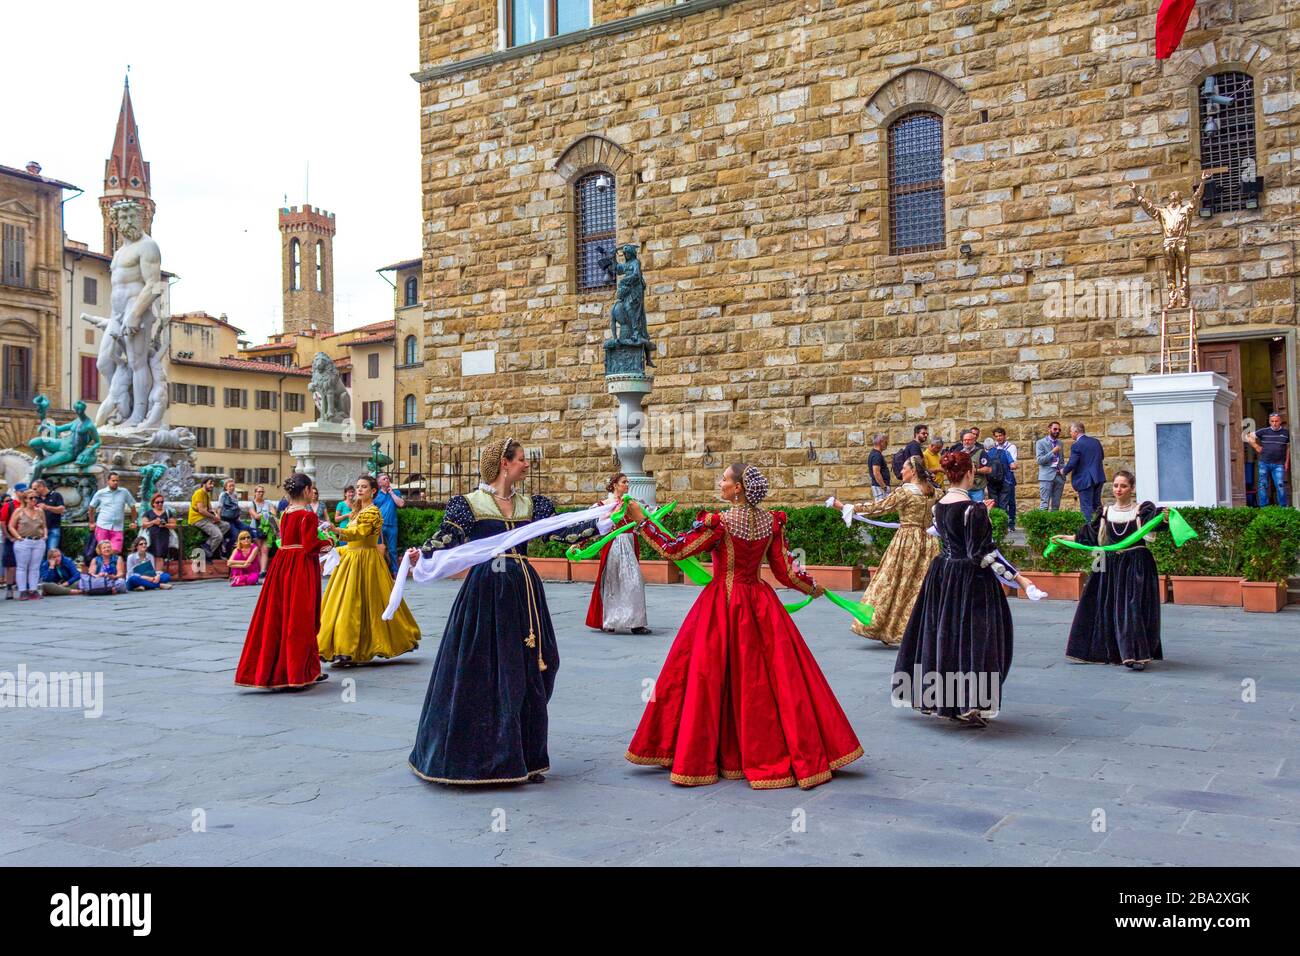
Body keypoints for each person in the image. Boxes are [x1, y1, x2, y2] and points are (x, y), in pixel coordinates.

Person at [621, 462, 863, 789]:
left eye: (724, 479)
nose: (720, 483)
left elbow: (676, 549)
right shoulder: (771, 522)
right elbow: (785, 572)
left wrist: (641, 523)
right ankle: (778, 751)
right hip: (760, 603)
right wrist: (811, 587)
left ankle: (702, 754)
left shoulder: (719, 523)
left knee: (704, 676)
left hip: (721, 602)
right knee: (768, 679)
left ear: (738, 489)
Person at [407, 437, 609, 786]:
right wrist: (421, 553)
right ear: (504, 463)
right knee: (484, 669)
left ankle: (526, 756)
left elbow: (563, 532)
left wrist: (603, 514)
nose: (526, 465)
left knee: (533, 668)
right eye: (521, 460)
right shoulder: (468, 504)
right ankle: (483, 758)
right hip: (486, 591)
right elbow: (447, 537)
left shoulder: (533, 504)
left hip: (523, 592)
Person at [892, 451, 1016, 728]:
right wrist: (1019, 578)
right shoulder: (974, 509)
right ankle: (968, 703)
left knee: (940, 634)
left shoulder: (940, 505)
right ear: (970, 473)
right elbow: (981, 553)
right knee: (975, 638)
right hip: (971, 579)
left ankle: (937, 698)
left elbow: (947, 531)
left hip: (942, 574)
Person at [235, 473, 332, 690]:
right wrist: (329, 543)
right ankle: (299, 672)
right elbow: (310, 546)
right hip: (300, 568)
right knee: (301, 617)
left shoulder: (286, 512)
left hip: (282, 566)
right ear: (306, 490)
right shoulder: (307, 516)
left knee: (279, 616)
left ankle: (286, 670)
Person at [832, 456, 940, 647]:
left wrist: (847, 507)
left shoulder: (905, 493)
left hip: (906, 541)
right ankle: (918, 630)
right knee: (919, 586)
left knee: (890, 583)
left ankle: (883, 626)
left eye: (904, 469)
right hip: (929, 542)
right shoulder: (934, 492)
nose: (901, 473)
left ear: (913, 471)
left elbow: (879, 507)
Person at [318, 474, 420, 666]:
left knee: (364, 603)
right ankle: (345, 648)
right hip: (352, 559)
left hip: (367, 561)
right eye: (358, 486)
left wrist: (335, 529)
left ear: (373, 491)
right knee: (348, 603)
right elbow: (353, 540)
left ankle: (350, 649)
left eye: (364, 487)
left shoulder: (373, 511)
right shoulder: (357, 511)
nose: (359, 489)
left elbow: (359, 533)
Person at [1065, 470, 1163, 671]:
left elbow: (1158, 523)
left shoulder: (1141, 511)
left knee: (1131, 607)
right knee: (1105, 605)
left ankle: (1134, 654)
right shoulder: (1106, 512)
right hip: (1109, 563)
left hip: (1136, 564)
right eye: (1116, 486)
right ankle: (1112, 651)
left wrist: (1167, 518)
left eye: (1123, 486)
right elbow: (1091, 537)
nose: (1118, 489)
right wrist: (1065, 538)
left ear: (1132, 488)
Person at [584, 472, 650, 634]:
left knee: (634, 582)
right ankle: (610, 620)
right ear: (614, 485)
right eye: (623, 482)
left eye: (627, 482)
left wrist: (664, 511)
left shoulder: (633, 503)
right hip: (613, 544)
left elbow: (648, 516)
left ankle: (636, 623)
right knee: (612, 581)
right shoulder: (604, 505)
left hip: (629, 542)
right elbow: (593, 526)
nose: (627, 485)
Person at [7, 487, 48, 600]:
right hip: (24, 541)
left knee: (35, 567)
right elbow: (11, 525)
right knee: (22, 567)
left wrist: (45, 535)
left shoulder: (40, 511)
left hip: (38, 541)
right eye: (31, 498)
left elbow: (44, 525)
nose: (34, 500)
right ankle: (22, 590)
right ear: (25, 499)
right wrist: (18, 537)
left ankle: (33, 590)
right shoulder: (19, 511)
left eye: (36, 497)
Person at [1063, 422, 1106, 521]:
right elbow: (1101, 457)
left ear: (1076, 432)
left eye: (1071, 431)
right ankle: (1102, 527)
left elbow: (1072, 463)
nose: (1070, 433)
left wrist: (1063, 471)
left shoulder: (1077, 445)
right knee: (1097, 505)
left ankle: (1088, 533)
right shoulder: (1096, 442)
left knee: (1086, 507)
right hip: (1098, 477)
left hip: (1085, 479)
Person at [87, 471, 137, 555]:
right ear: (108, 481)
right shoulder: (100, 493)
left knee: (116, 551)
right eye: (113, 480)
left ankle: (113, 567)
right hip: (103, 526)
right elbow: (91, 507)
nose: (115, 482)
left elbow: (133, 507)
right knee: (103, 551)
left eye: (117, 481)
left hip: (118, 528)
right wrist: (91, 522)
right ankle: (103, 568)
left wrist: (133, 521)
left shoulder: (124, 492)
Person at [1249, 412, 1290, 507]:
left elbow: (1288, 448)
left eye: (1276, 421)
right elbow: (1249, 436)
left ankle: (1283, 508)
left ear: (1280, 421)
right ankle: (1264, 507)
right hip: (1264, 462)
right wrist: (1256, 446)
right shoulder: (1263, 431)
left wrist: (1287, 462)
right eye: (1272, 421)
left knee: (1280, 485)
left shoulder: (1286, 433)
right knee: (1262, 485)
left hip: (1279, 464)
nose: (1274, 423)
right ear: (1269, 422)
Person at [188, 477, 228, 561]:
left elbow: (209, 508)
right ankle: (205, 555)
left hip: (205, 519)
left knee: (226, 525)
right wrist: (214, 518)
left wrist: (216, 515)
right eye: (210, 483)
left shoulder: (207, 494)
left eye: (213, 484)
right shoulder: (199, 493)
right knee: (218, 536)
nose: (212, 485)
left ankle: (207, 546)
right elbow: (201, 510)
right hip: (197, 519)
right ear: (203, 484)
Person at [373, 473, 404, 572]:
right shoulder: (376, 495)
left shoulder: (396, 492)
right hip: (379, 526)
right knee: (378, 549)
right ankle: (380, 571)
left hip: (392, 525)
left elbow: (401, 504)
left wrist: (392, 493)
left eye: (387, 478)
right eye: (384, 479)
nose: (387, 480)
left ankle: (395, 571)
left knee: (392, 549)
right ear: (379, 482)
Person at [990, 427, 1019, 530]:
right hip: (996, 479)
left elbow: (1013, 463)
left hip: (1008, 478)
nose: (999, 438)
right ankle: (1000, 524)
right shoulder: (993, 447)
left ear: (1004, 436)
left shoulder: (1011, 447)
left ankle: (1011, 524)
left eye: (1000, 435)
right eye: (996, 436)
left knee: (1010, 501)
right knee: (997, 502)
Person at [138, 492, 177, 568]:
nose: (160, 504)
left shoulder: (167, 512)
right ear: (153, 503)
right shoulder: (148, 513)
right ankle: (151, 574)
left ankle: (158, 574)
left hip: (163, 537)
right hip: (150, 537)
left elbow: (174, 525)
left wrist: (165, 525)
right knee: (150, 555)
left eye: (162, 502)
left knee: (160, 556)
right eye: (157, 502)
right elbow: (143, 524)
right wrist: (153, 522)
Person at [952, 431, 991, 502]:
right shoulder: (958, 453)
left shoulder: (981, 452)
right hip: (962, 489)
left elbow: (988, 469)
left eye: (969, 440)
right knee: (963, 511)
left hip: (976, 489)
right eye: (965, 440)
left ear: (974, 441)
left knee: (977, 510)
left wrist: (975, 470)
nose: (967, 442)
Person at [1035, 421, 1066, 511]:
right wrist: (1053, 452)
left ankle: (1054, 525)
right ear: (1049, 429)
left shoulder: (1060, 443)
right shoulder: (1040, 443)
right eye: (1055, 429)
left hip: (1059, 476)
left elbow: (1062, 459)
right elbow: (1040, 460)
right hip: (1046, 476)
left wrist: (1063, 471)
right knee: (1044, 504)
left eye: (1059, 430)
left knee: (1056, 505)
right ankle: (1043, 524)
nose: (1057, 431)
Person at [249, 484, 279, 576]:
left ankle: (263, 571)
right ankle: (258, 570)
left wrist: (263, 514)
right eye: (258, 491)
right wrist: (266, 513)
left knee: (265, 550)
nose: (261, 493)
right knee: (258, 549)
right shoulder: (252, 504)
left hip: (267, 529)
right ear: (255, 493)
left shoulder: (268, 503)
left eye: (262, 491)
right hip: (256, 529)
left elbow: (274, 514)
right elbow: (255, 516)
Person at [31, 479, 65, 556]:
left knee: (52, 552)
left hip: (53, 528)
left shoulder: (56, 495)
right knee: (39, 554)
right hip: (39, 530)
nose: (33, 491)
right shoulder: (34, 498)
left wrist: (47, 507)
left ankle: (51, 567)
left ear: (42, 487)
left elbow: (61, 509)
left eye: (35, 489)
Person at [218, 478, 251, 556]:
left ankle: (241, 546)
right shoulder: (223, 495)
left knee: (247, 528)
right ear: (226, 487)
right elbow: (220, 507)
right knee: (235, 533)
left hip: (235, 519)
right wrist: (218, 518)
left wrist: (238, 516)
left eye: (233, 486)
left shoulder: (235, 494)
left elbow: (236, 506)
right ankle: (226, 548)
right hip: (226, 519)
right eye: (230, 486)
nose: (232, 487)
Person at [0, 483, 16, 599]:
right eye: (6, 500)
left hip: (7, 539)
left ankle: (9, 584)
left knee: (9, 563)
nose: (9, 502)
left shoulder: (11, 509)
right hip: (5, 539)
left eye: (10, 500)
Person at [868, 433, 890, 501]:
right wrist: (884, 487)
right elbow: (876, 472)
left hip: (879, 486)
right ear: (881, 442)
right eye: (886, 442)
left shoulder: (875, 454)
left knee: (883, 508)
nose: (887, 443)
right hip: (880, 487)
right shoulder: (877, 455)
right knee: (881, 508)